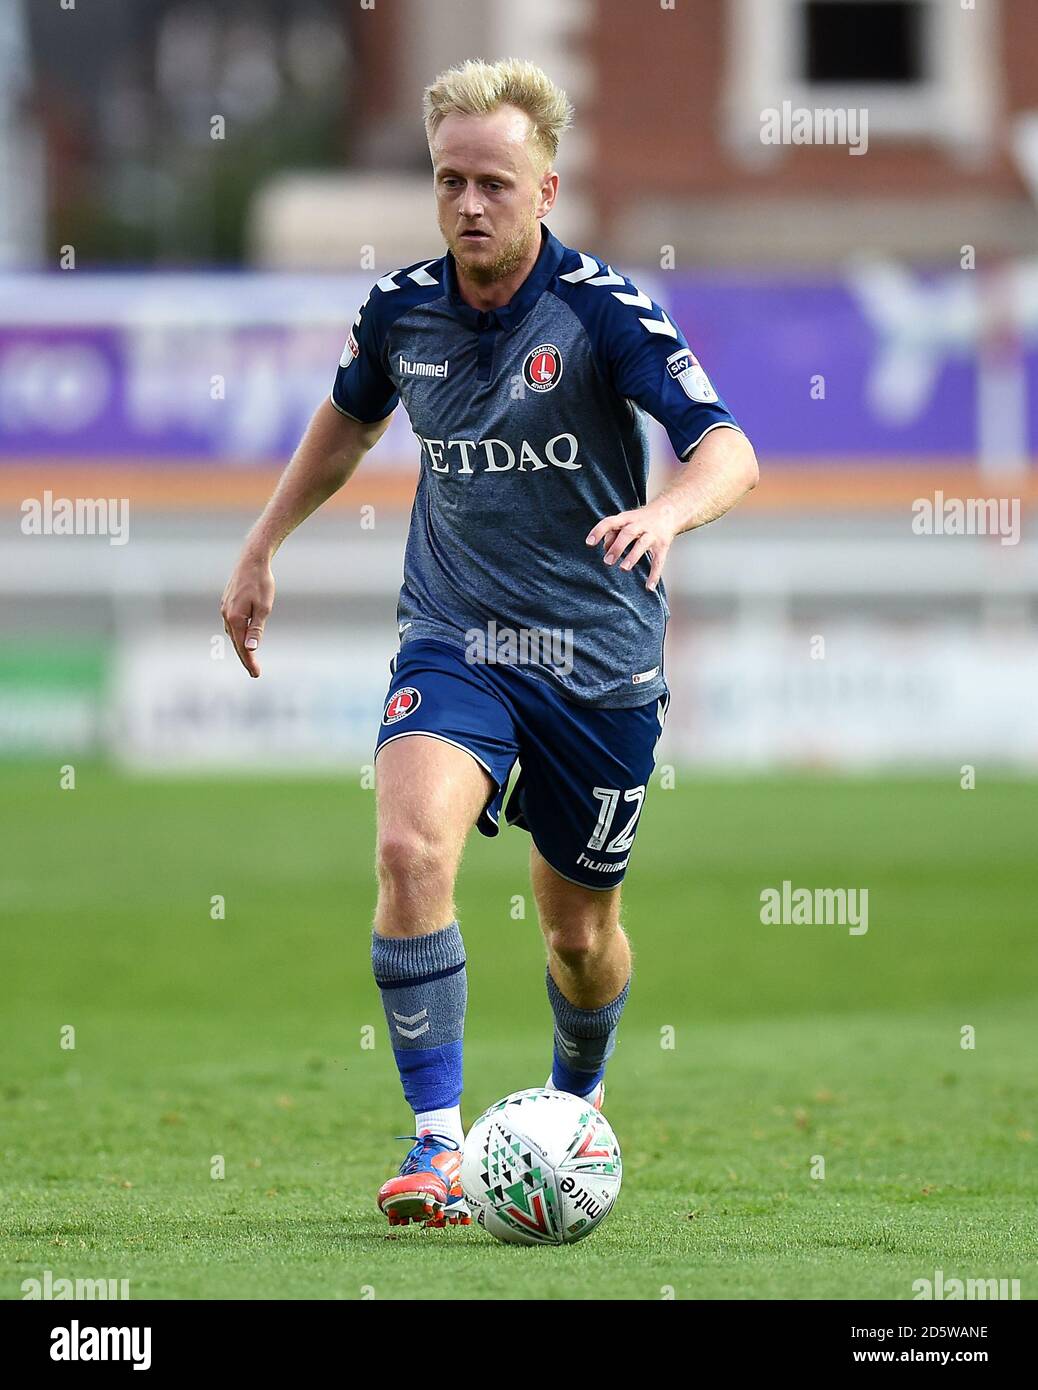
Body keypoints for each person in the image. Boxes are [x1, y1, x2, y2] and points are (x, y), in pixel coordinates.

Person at [220, 57, 758, 1230]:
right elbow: (350, 419)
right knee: (413, 851)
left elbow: (727, 446)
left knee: (580, 936)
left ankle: (578, 1102)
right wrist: (264, 542)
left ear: (546, 188)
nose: (470, 206)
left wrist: (667, 511)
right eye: (451, 181)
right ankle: (432, 1147)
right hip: (456, 638)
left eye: (495, 185)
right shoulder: (401, 309)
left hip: (598, 663)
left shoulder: (603, 311)